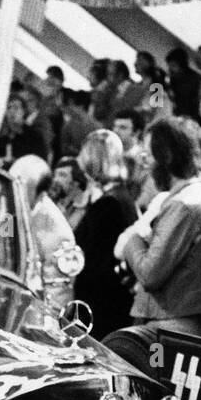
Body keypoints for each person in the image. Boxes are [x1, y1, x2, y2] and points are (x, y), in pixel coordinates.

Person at [117, 116, 201, 338]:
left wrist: (133, 239)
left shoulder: (183, 205)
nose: (146, 164)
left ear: (167, 157)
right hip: (192, 323)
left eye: (150, 156)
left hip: (169, 330)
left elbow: (150, 274)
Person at [73, 129, 138, 339]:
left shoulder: (110, 204)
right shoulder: (118, 197)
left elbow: (96, 260)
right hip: (108, 302)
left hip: (103, 307)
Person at [10, 155, 81, 313]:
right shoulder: (8, 212)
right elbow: (4, 246)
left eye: (21, 189)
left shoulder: (57, 231)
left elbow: (57, 295)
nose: (14, 194)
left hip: (32, 315)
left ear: (40, 194)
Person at [0, 94, 48, 165]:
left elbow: (40, 162)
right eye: (9, 108)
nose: (12, 111)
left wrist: (14, 161)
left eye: (16, 108)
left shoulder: (34, 136)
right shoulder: (1, 138)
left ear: (24, 111)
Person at [49, 156, 90, 230]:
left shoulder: (84, 209)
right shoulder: (54, 200)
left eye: (62, 175)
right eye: (54, 175)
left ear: (76, 183)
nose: (55, 180)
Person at [166, 47, 201, 119]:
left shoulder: (195, 79)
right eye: (169, 66)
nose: (170, 69)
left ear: (182, 65)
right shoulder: (173, 77)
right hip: (176, 114)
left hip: (190, 117)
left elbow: (197, 102)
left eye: (173, 66)